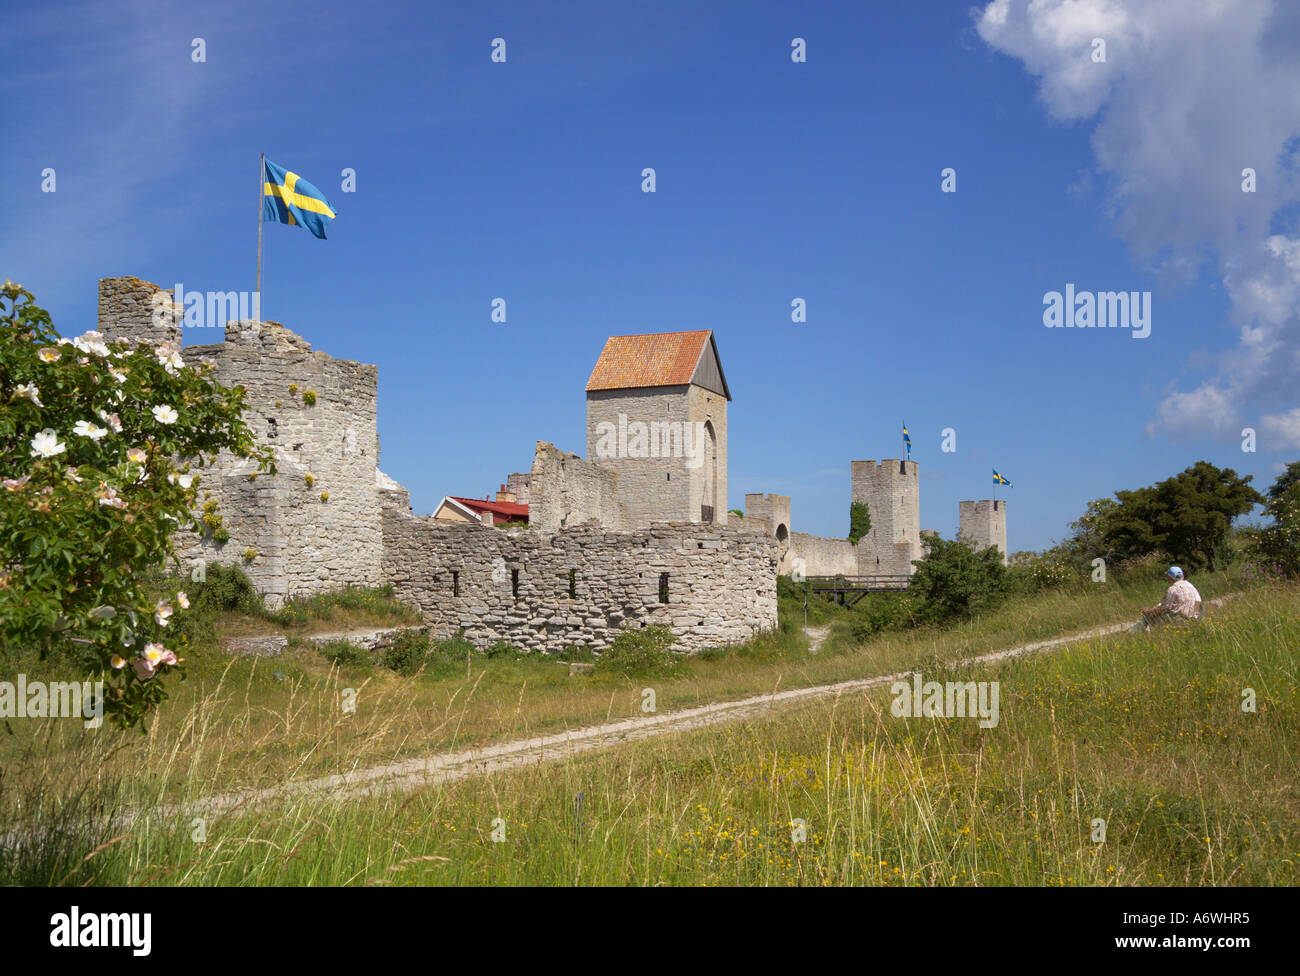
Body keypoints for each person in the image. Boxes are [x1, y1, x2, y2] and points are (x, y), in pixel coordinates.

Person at [1137, 566, 1202, 631]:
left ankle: (1134, 632)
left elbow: (1163, 608)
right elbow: (1198, 603)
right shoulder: (1190, 586)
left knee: (1149, 617)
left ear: (1170, 577)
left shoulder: (1173, 589)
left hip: (1180, 620)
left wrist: (1148, 612)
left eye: (1167, 576)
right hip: (1193, 620)